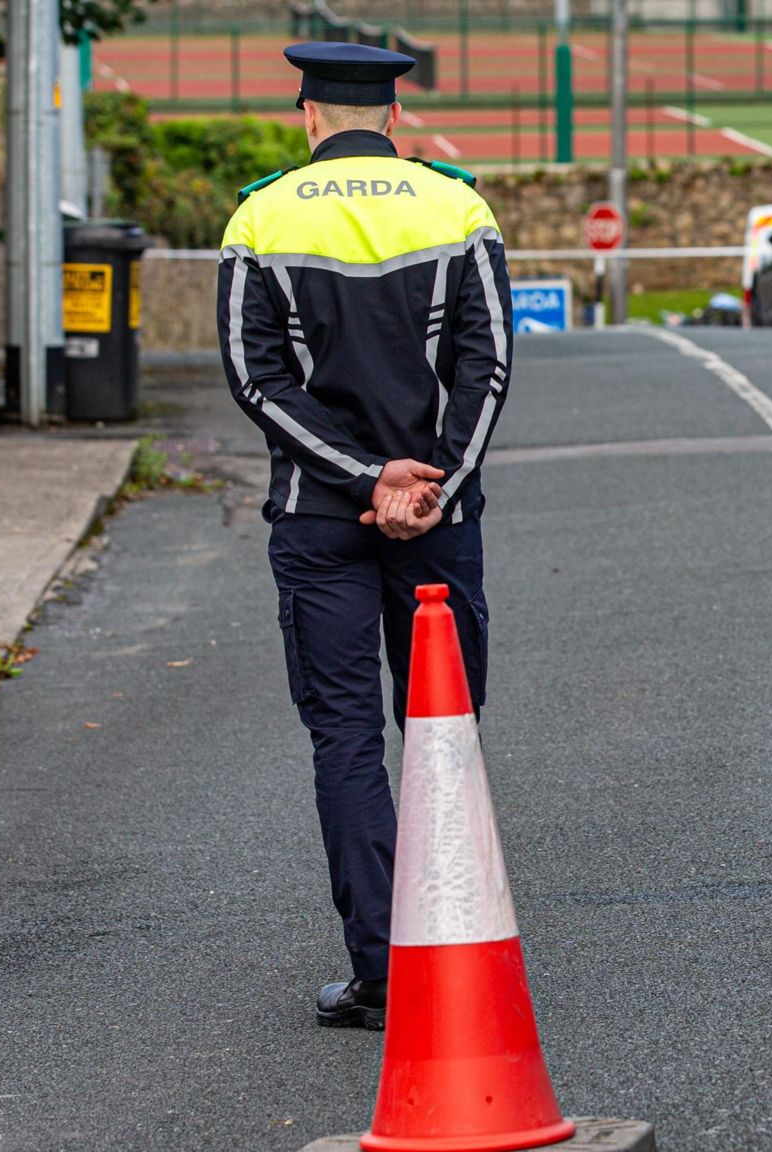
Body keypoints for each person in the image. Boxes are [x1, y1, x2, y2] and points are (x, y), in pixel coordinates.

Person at [216, 41, 513, 1028]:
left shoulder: (259, 216)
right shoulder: (455, 206)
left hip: (315, 520)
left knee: (344, 739)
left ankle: (384, 976)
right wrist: (429, 489)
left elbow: (256, 382)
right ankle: (460, 948)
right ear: (393, 118)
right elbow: (489, 366)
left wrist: (355, 478)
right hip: (440, 522)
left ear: (306, 115)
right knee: (443, 733)